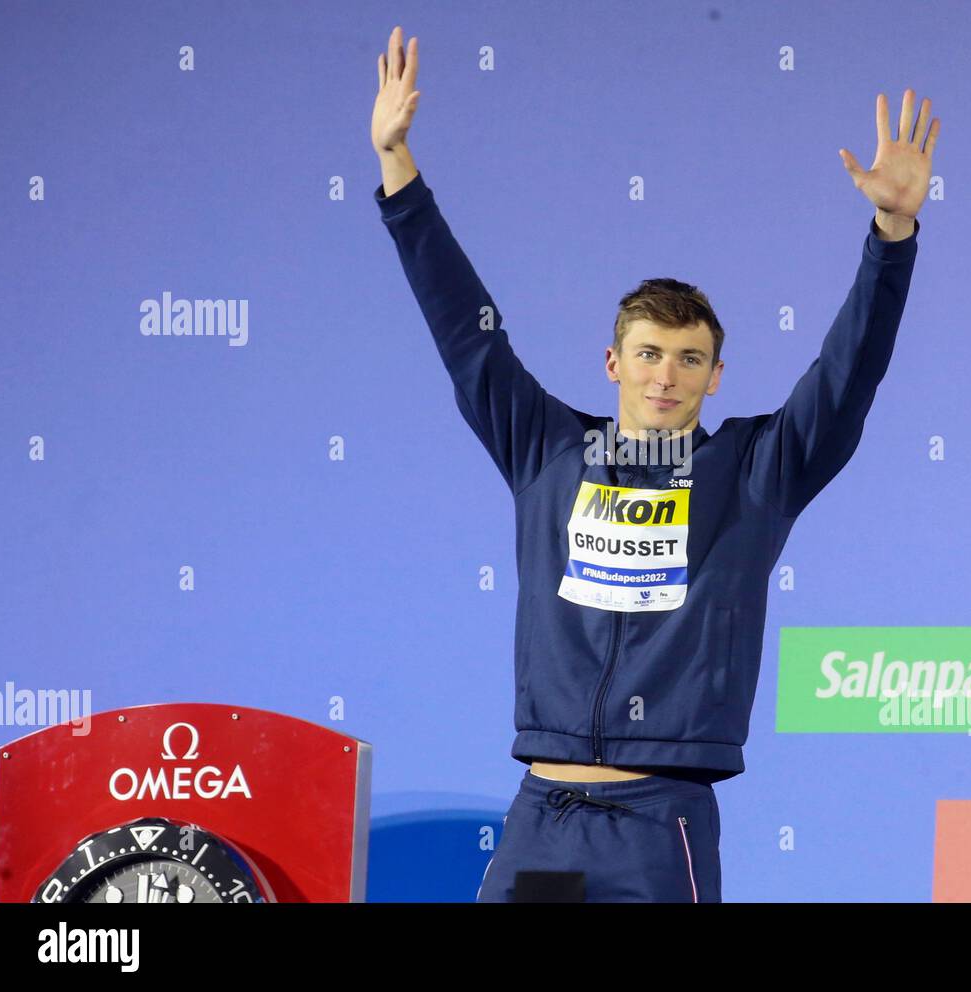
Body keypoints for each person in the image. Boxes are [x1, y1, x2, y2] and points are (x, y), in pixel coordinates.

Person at [370, 25, 939, 902]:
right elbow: (465, 334)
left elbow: (846, 373)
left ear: (717, 373)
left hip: (659, 822)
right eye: (647, 353)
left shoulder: (757, 471)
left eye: (687, 358)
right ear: (613, 364)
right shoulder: (547, 448)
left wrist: (891, 233)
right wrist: (398, 168)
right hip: (541, 820)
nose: (665, 374)